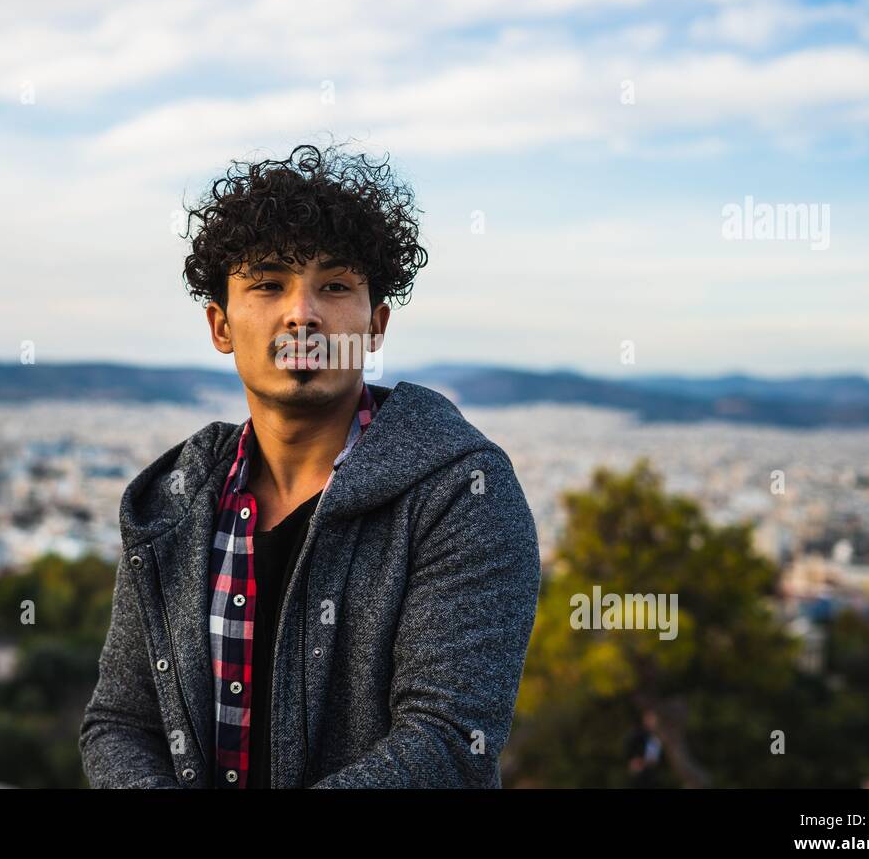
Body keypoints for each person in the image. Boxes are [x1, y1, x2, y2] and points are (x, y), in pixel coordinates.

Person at [79, 142, 541, 788]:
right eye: (267, 284)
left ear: (375, 325)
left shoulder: (461, 491)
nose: (302, 312)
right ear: (219, 326)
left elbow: (447, 741)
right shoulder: (174, 501)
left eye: (335, 285)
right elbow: (121, 722)